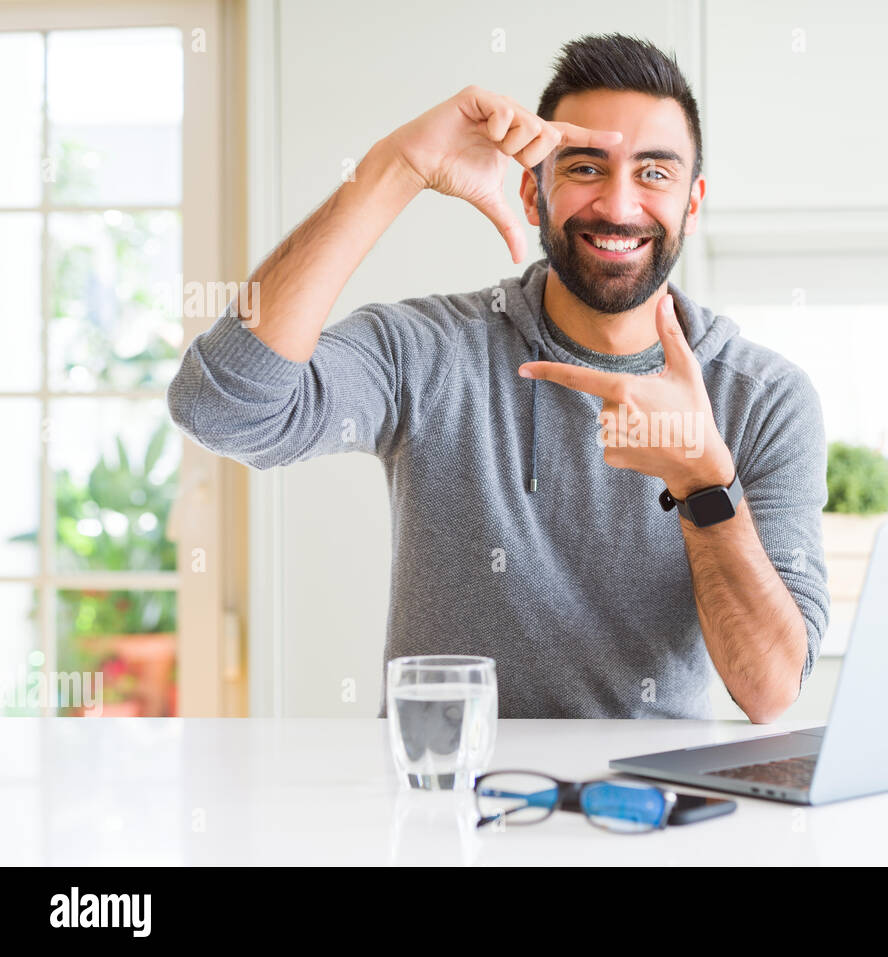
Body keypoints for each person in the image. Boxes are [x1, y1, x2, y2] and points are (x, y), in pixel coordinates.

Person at [167, 33, 829, 722]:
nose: (619, 204)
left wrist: (702, 480)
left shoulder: (765, 398)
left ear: (692, 205)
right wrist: (397, 169)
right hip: (446, 808)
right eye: (584, 167)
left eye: (654, 173)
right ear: (532, 194)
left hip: (650, 812)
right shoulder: (427, 351)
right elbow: (221, 408)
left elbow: (769, 687)